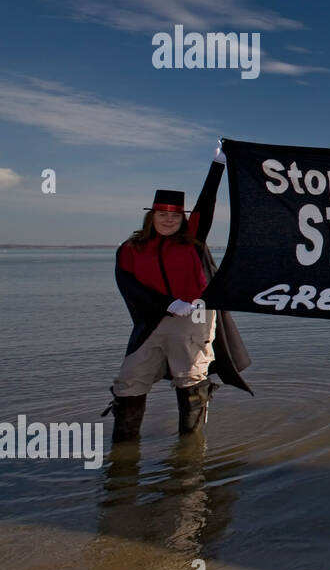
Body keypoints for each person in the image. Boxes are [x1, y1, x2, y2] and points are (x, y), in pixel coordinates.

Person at [105, 143, 253, 442]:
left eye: (175, 216)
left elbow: (206, 204)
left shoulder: (191, 240)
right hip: (151, 320)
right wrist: (167, 304)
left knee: (190, 378)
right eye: (162, 215)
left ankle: (190, 452)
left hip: (193, 318)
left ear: (183, 219)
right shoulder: (132, 249)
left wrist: (219, 166)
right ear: (152, 217)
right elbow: (129, 285)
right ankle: (123, 453)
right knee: (130, 380)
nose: (169, 220)